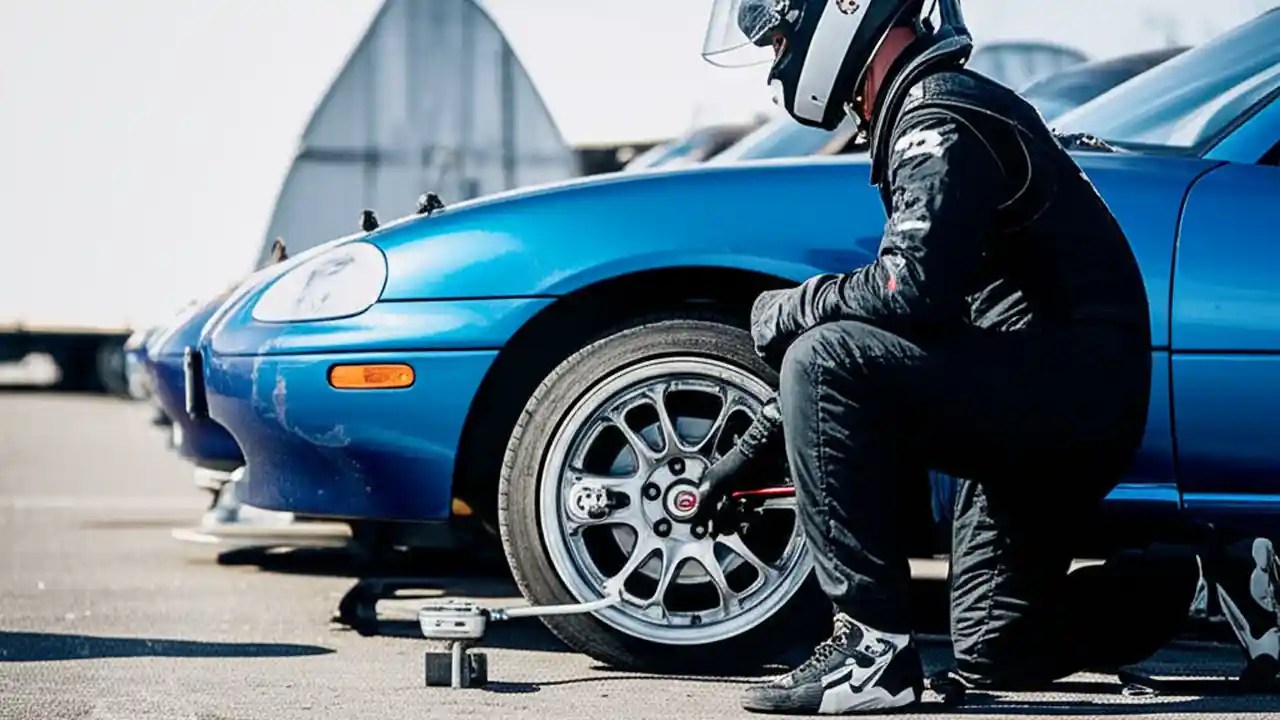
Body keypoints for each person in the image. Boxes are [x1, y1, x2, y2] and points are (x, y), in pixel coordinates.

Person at [698, 0, 1280, 714]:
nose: (776, 64)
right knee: (996, 643)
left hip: (1061, 394)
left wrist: (788, 306)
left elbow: (902, 295)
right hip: (1055, 394)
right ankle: (1206, 574)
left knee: (822, 357)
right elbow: (901, 333)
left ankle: (872, 651)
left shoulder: (939, 117)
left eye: (781, 39)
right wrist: (747, 456)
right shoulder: (932, 108)